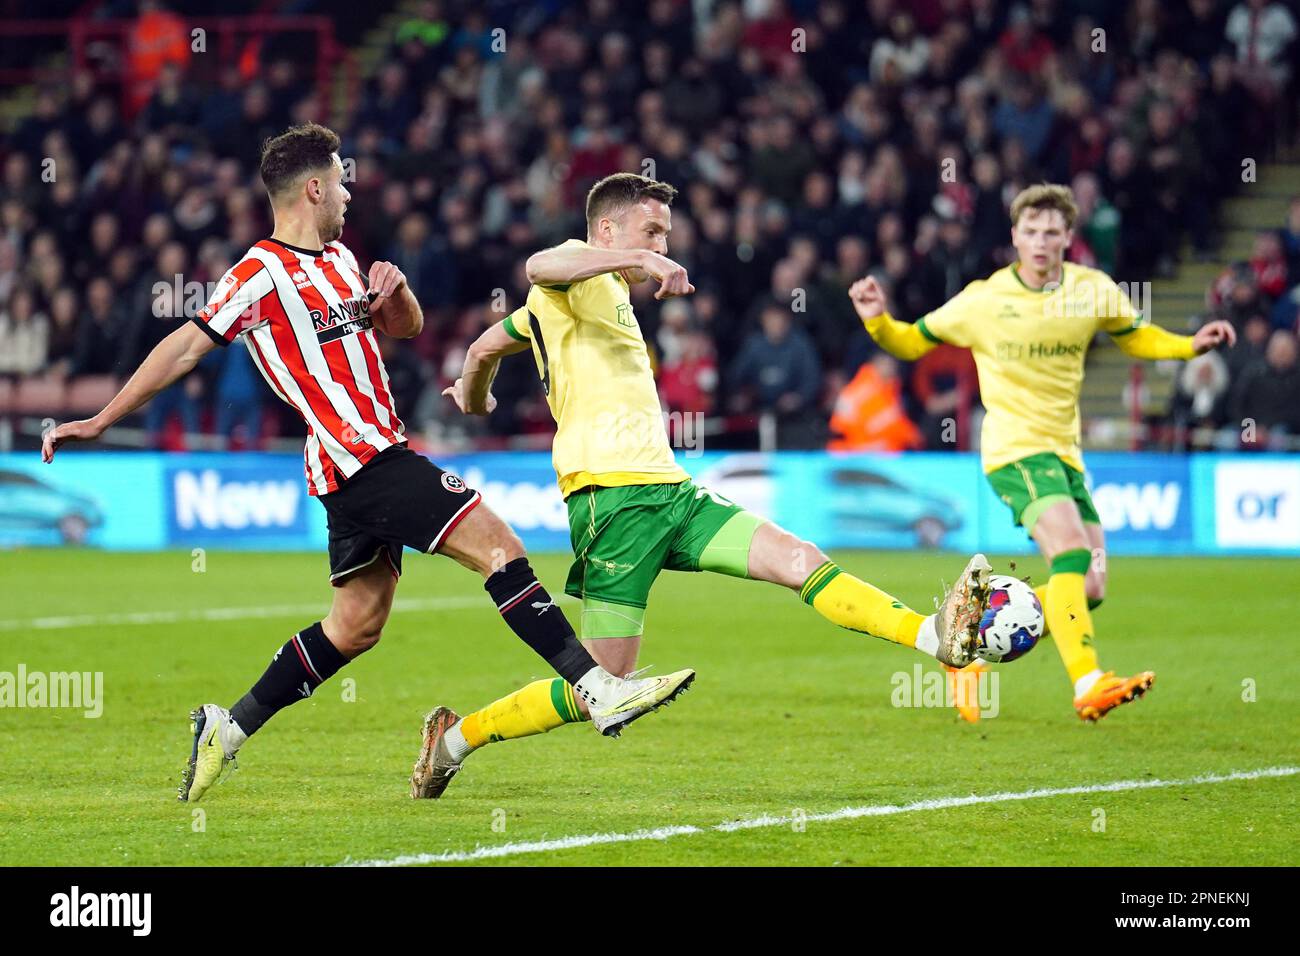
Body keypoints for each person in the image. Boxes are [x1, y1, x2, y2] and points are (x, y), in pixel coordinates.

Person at [41, 125, 693, 803]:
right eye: (342, 181)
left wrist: (398, 291)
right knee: (499, 546)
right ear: (314, 188)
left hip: (360, 461)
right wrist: (102, 418)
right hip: (361, 458)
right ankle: (599, 688)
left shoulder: (343, 260)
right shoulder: (259, 274)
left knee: (355, 627)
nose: (350, 194)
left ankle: (227, 728)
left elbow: (403, 327)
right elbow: (183, 348)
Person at [425, 172, 995, 798]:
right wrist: (638, 258)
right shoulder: (571, 276)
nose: (663, 247)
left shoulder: (597, 293)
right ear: (609, 230)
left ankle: (930, 636)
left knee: (799, 559)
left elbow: (483, 346)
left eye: (665, 236)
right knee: (603, 684)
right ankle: (454, 740)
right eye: (653, 232)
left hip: (672, 491)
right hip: (612, 499)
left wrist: (473, 393)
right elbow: (537, 266)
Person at [850, 183, 1237, 722]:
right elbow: (911, 341)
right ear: (1014, 236)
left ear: (1068, 238)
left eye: (1051, 232)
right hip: (1014, 449)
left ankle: (969, 653)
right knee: (1072, 553)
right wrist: (877, 320)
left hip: (1065, 455)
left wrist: (1187, 345)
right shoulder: (984, 300)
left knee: (1092, 582)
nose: (1039, 240)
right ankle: (1088, 682)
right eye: (1030, 231)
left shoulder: (1091, 291)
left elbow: (1136, 336)